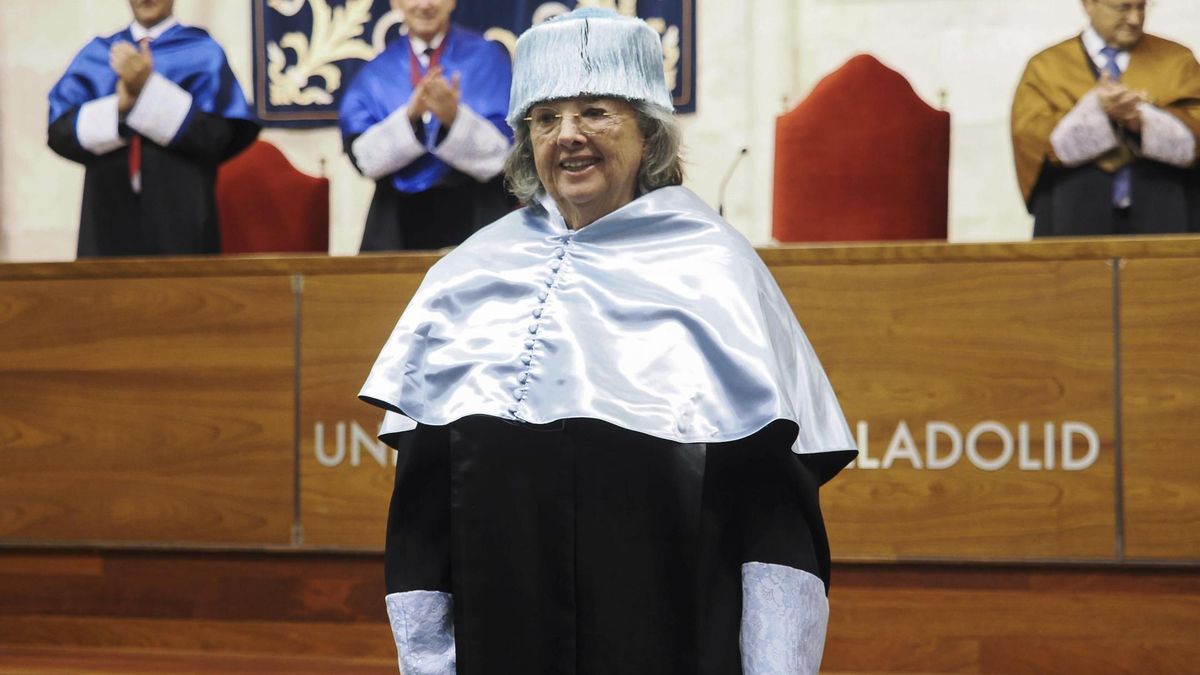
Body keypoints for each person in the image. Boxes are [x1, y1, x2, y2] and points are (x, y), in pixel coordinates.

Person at [360, 8, 858, 674]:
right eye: (546, 117)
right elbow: (421, 520)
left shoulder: (721, 273)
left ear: (647, 130)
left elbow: (776, 529)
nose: (569, 136)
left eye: (595, 111)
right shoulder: (464, 277)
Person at [47, 0, 259, 258]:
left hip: (182, 220)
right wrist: (120, 108)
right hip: (107, 221)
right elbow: (59, 132)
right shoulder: (98, 54)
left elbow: (218, 138)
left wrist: (148, 90)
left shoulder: (202, 53)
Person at [1011, 0, 1200, 237]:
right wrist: (1096, 115)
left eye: (1141, 7)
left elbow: (1196, 125)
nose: (1134, 19)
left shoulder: (1176, 60)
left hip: (1165, 212)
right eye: (1123, 8)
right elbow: (1030, 140)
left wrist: (1142, 121)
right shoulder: (1047, 67)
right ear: (1089, 4)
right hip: (1072, 212)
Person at [339, 0, 514, 252]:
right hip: (396, 223)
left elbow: (504, 155)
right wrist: (410, 117)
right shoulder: (377, 73)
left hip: (477, 212)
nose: (424, 4)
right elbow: (364, 160)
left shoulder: (486, 59)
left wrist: (454, 119)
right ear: (396, 3)